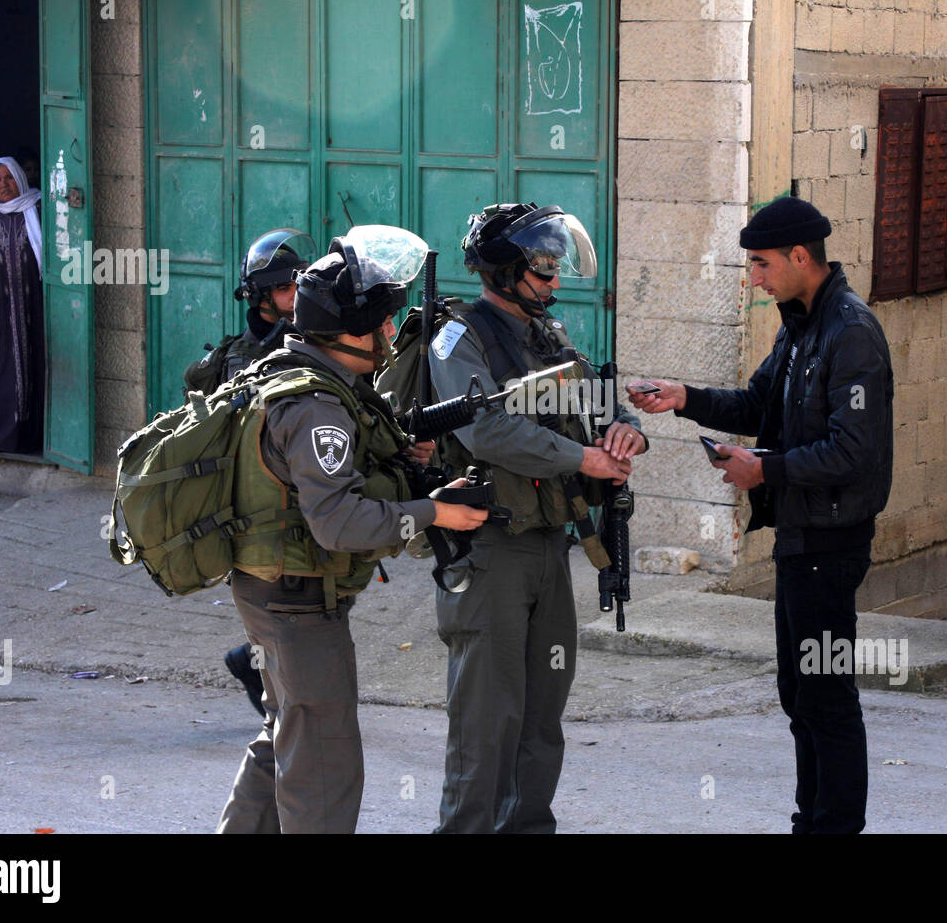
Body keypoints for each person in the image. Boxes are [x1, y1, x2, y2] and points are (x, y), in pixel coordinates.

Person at [628, 197, 893, 834]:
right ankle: (813, 820)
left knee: (826, 697)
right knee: (799, 695)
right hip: (801, 539)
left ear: (801, 258)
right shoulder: (800, 326)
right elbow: (757, 403)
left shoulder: (851, 332)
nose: (754, 277)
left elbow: (853, 451)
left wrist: (764, 470)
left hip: (831, 541)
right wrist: (685, 398)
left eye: (762, 263)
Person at [216, 227, 486, 834]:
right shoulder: (315, 405)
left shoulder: (306, 376)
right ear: (352, 333)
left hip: (276, 590)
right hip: (296, 601)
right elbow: (338, 522)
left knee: (286, 734)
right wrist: (437, 511)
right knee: (324, 767)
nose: (391, 337)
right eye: (384, 326)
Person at [428, 202, 647, 833]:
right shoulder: (459, 337)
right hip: (489, 547)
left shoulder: (547, 334)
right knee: (485, 722)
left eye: (556, 270)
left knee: (542, 715)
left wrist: (625, 433)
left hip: (550, 546)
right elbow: (484, 429)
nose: (555, 284)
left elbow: (595, 399)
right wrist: (582, 457)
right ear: (502, 272)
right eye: (543, 271)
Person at [183, 228, 316, 716]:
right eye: (285, 290)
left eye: (300, 286)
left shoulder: (303, 337)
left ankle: (256, 667)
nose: (295, 296)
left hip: (293, 484)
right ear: (261, 298)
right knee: (281, 597)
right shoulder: (241, 355)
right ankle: (274, 692)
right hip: (254, 495)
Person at [0, 156, 45, 453]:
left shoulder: (39, 209)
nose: (4, 184)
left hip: (36, 310)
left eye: (9, 177)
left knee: (39, 370)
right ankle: (1, 441)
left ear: (20, 178)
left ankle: (35, 441)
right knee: (0, 374)